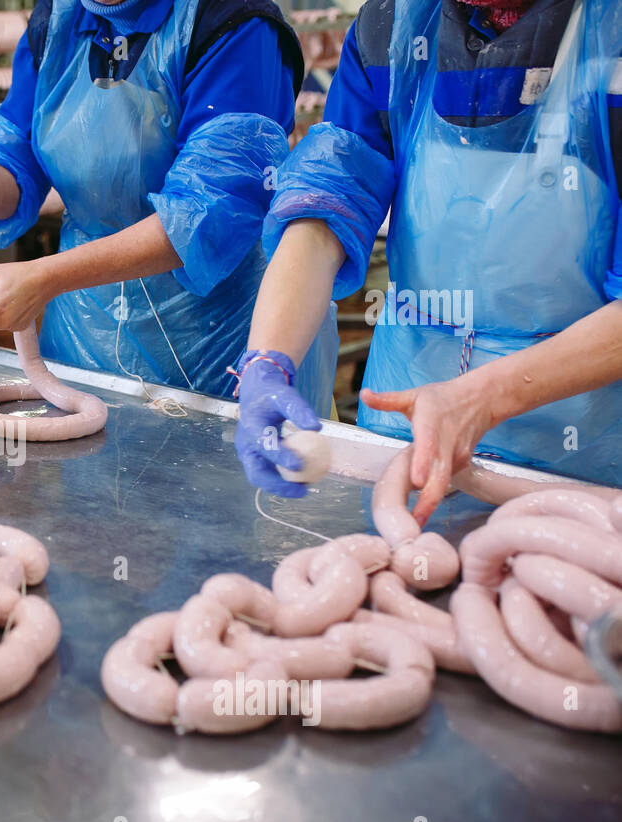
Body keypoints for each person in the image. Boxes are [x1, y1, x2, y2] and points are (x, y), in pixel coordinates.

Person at [0, 0, 338, 402]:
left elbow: (205, 216)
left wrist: (46, 277)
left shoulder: (232, 24)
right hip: (84, 334)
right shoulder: (56, 22)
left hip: (219, 343)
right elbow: (13, 168)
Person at [237, 0, 622, 520]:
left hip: (583, 456)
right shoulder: (391, 27)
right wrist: (266, 360)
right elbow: (325, 211)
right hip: (407, 427)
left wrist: (482, 397)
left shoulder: (609, 39)